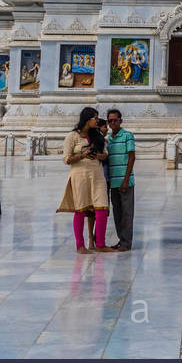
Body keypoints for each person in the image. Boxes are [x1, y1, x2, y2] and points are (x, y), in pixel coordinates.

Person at [58, 107, 114, 255]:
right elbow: (66, 159)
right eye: (94, 118)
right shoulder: (72, 136)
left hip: (97, 175)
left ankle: (100, 244)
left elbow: (105, 155)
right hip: (79, 176)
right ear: (87, 119)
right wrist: (82, 155)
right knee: (81, 209)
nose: (97, 121)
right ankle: (80, 245)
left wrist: (97, 155)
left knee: (102, 208)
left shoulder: (98, 137)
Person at [105, 108, 136, 251]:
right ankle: (121, 240)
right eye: (110, 121)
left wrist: (126, 179)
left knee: (127, 213)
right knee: (117, 213)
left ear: (120, 121)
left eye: (115, 120)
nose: (112, 123)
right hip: (113, 182)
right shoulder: (108, 139)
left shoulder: (127, 135)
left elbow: (131, 157)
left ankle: (126, 242)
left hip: (125, 182)